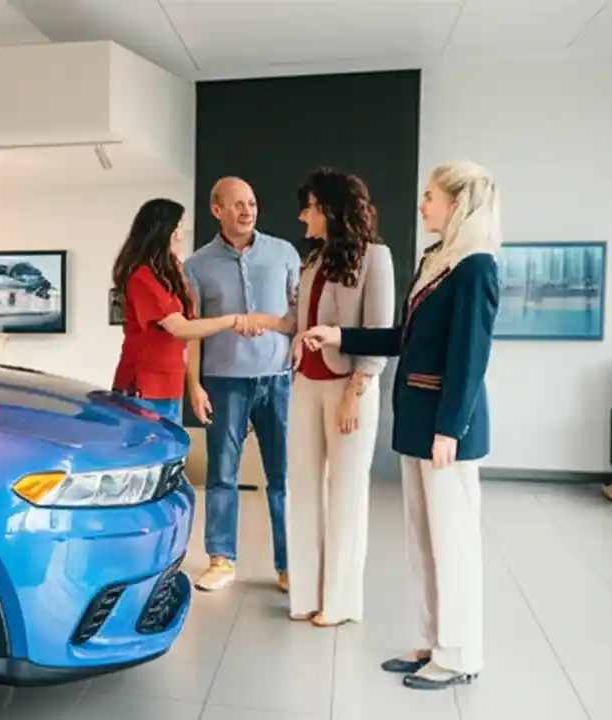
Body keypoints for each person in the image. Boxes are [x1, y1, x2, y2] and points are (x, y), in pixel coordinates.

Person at [296, 160, 501, 690]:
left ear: (457, 202)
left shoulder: (476, 266)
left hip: (444, 431)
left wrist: (450, 430)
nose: (422, 204)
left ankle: (459, 655)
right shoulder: (438, 261)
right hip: (417, 422)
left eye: (431, 195)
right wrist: (340, 335)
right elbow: (403, 338)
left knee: (452, 544)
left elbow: (470, 357)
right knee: (423, 542)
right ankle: (433, 642)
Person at [282, 168, 395, 628]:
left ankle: (341, 601)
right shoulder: (312, 260)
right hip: (305, 384)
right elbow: (297, 318)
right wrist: (253, 323)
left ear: (331, 209)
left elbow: (379, 332)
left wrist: (356, 390)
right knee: (302, 489)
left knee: (346, 493)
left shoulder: (375, 257)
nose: (302, 216)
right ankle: (306, 596)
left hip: (350, 385)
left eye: (309, 207)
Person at [185, 177, 300, 593]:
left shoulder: (284, 253)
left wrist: (282, 335)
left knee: (283, 476)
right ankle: (221, 560)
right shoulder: (196, 265)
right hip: (223, 382)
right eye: (237, 204)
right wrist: (194, 385)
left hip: (278, 380)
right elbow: (193, 330)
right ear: (217, 210)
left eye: (251, 202)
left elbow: (300, 315)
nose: (247, 210)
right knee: (222, 475)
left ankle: (290, 565)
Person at [110, 198, 262, 425]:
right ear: (165, 231)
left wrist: (194, 386)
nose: (182, 234)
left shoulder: (173, 272)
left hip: (170, 385)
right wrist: (234, 321)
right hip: (143, 387)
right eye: (179, 226)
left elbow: (191, 332)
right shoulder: (143, 278)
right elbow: (181, 328)